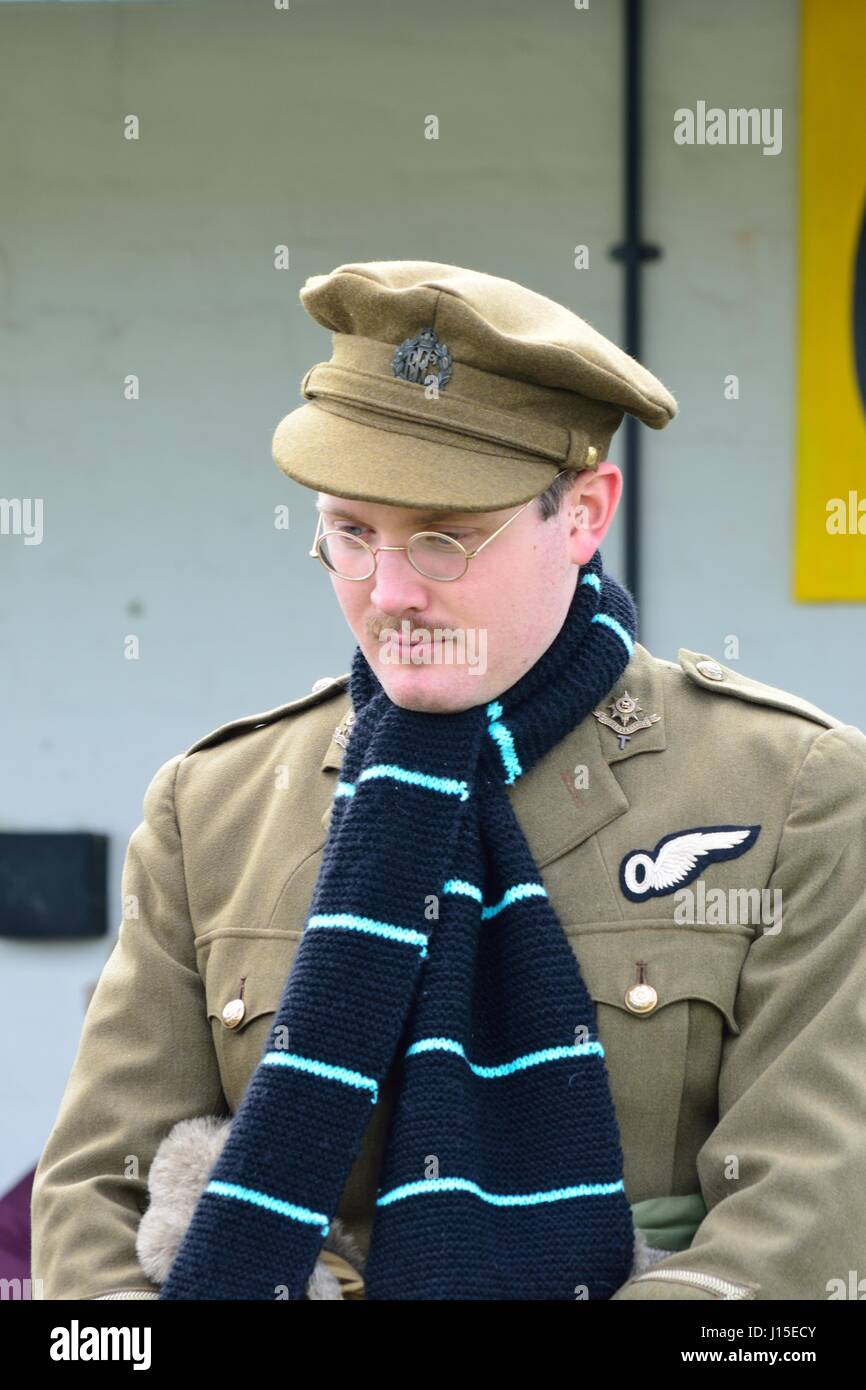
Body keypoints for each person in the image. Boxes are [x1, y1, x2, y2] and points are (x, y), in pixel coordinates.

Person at [31, 260, 866, 1300]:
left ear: (584, 513)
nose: (387, 594)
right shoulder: (212, 807)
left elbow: (804, 1229)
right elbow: (90, 1200)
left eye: (442, 540)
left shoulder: (793, 792)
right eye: (349, 533)